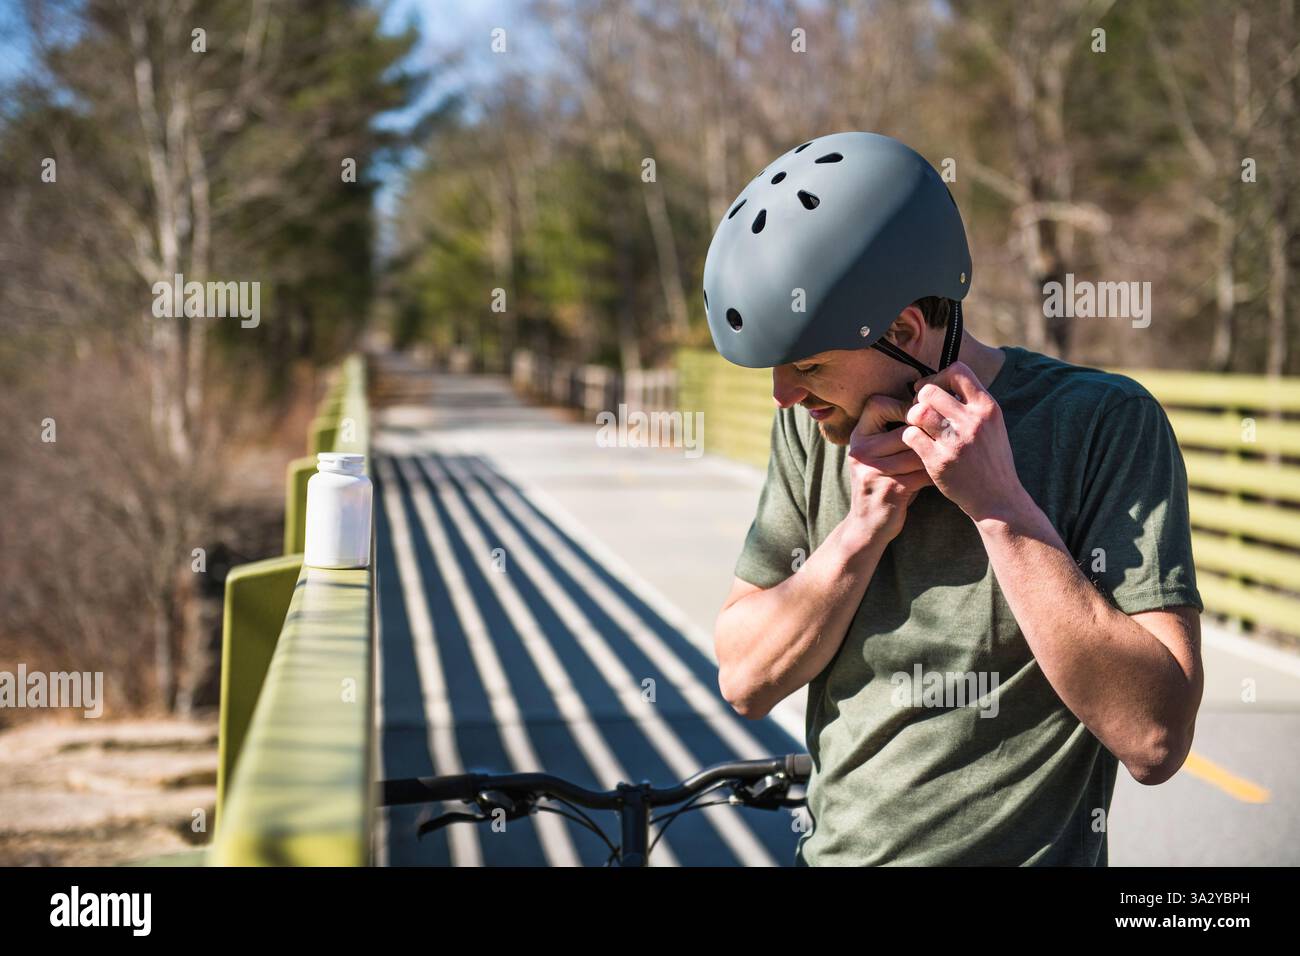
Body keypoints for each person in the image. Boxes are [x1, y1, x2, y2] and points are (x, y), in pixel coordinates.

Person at [702, 131, 1204, 866]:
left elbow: (1155, 738)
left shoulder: (1103, 423)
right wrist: (861, 529)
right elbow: (745, 679)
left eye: (806, 364)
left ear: (905, 330)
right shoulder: (816, 429)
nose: (783, 394)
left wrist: (1000, 506)